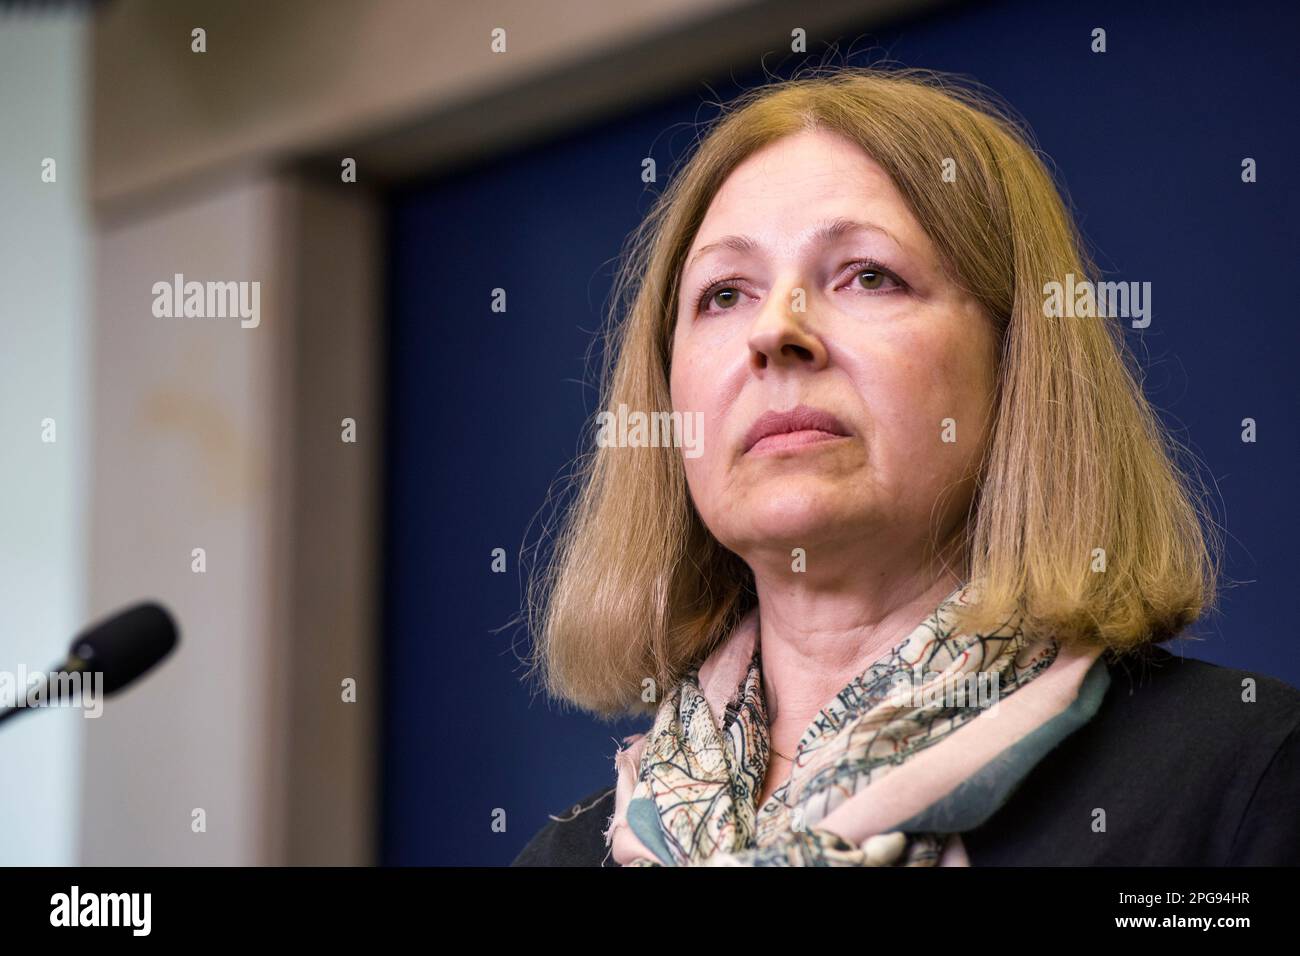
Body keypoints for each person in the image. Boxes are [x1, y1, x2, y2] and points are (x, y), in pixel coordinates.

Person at [512, 66, 1300, 867]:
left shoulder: (1243, 781)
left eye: (868, 275)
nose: (775, 331)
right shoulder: (567, 857)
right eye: (724, 294)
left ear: (1016, 357)